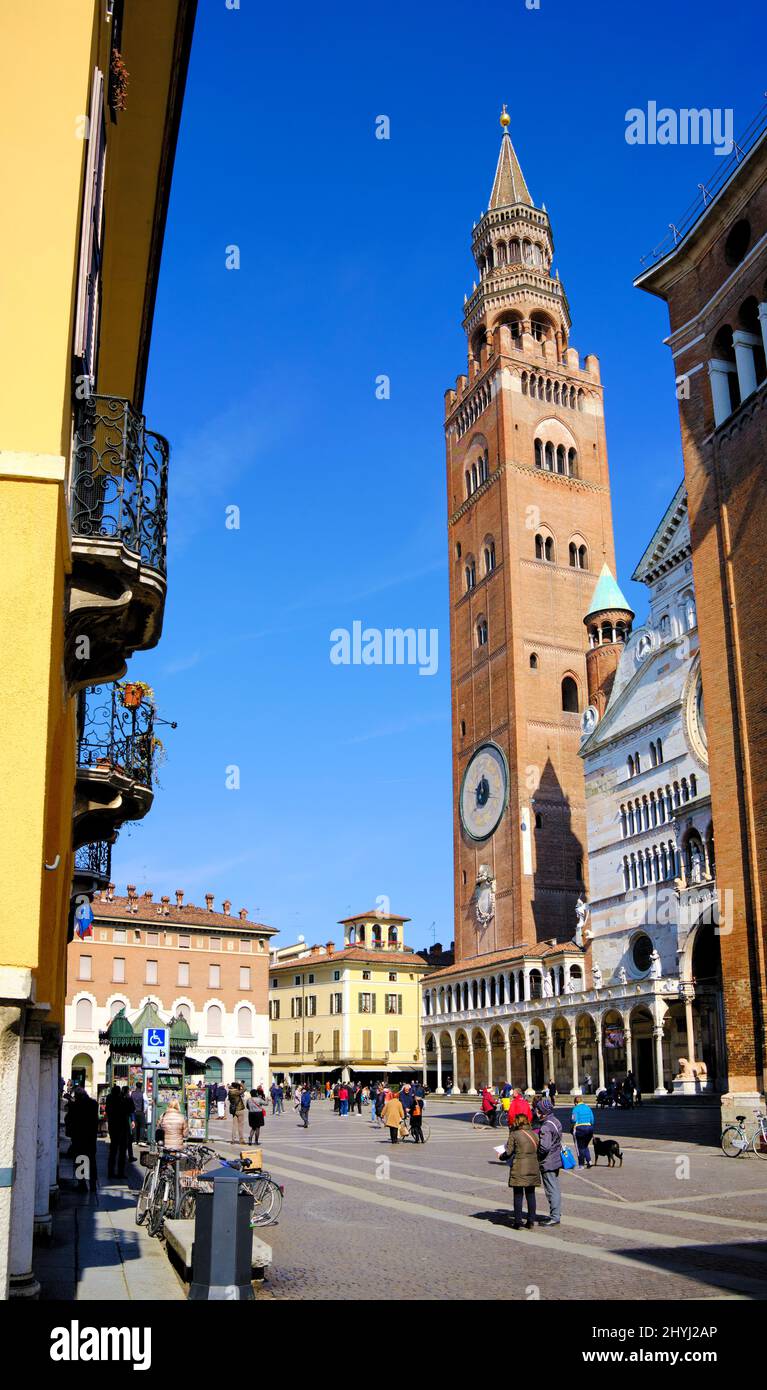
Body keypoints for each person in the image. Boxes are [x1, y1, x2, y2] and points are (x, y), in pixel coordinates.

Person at [505, 1114, 541, 1229]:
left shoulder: (514, 1134)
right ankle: (530, 1221)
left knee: (518, 1195)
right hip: (533, 1166)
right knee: (531, 1194)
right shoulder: (534, 1134)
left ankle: (518, 1221)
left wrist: (501, 1156)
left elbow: (509, 1152)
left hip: (520, 1167)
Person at [536, 1098, 563, 1226]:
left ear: (543, 1112)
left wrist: (538, 1155)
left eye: (538, 1110)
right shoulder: (556, 1121)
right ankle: (556, 1213)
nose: (536, 1112)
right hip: (556, 1159)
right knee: (555, 1187)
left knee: (551, 1189)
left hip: (548, 1161)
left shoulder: (546, 1127)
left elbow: (544, 1147)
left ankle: (554, 1216)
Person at [66, 1087, 99, 1191]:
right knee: (91, 1161)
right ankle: (93, 1184)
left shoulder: (75, 1106)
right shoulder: (93, 1104)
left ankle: (82, 1184)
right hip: (91, 1137)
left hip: (79, 1137)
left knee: (79, 1160)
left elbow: (69, 1118)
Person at [105, 1084, 131, 1180]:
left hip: (113, 1127)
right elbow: (130, 1109)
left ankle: (110, 1171)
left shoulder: (109, 1099)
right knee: (122, 1151)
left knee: (113, 1150)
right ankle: (120, 1172)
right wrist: (126, 1097)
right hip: (122, 1127)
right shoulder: (121, 1100)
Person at [570, 1093, 594, 1168]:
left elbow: (574, 1120)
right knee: (585, 1145)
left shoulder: (575, 1109)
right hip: (589, 1128)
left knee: (579, 1147)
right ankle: (589, 1161)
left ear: (576, 1102)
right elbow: (592, 1120)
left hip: (580, 1129)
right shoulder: (588, 1107)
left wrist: (571, 1121)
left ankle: (581, 1165)